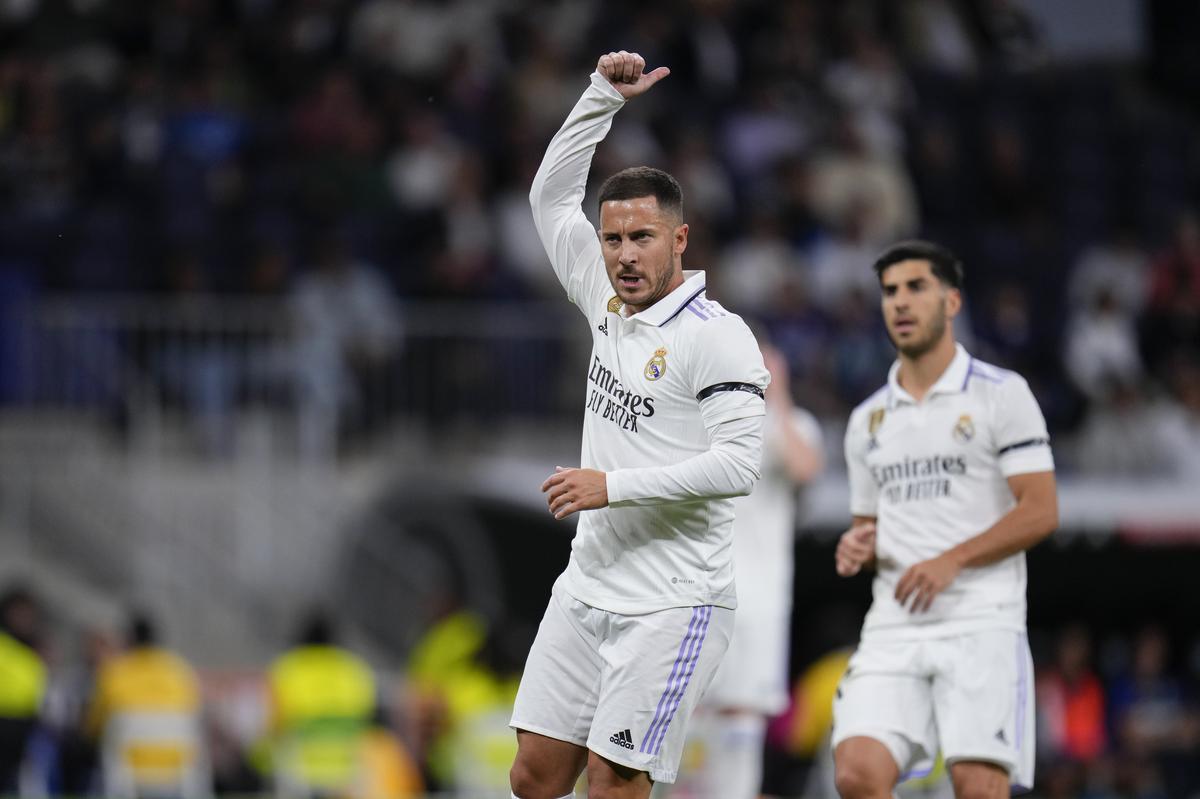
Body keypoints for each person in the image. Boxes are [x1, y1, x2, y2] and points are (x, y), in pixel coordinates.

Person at [509, 50, 770, 799]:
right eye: (613, 239)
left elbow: (739, 466)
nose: (624, 256)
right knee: (534, 777)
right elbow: (550, 198)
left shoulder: (718, 337)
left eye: (642, 238)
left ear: (679, 241)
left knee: (614, 784)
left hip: (673, 601)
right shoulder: (603, 296)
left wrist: (611, 486)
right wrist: (600, 97)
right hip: (589, 584)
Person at [832, 240, 1059, 799]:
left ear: (952, 301)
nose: (900, 302)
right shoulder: (866, 420)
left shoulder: (1002, 395)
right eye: (890, 291)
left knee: (978, 787)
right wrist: (858, 547)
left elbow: (1041, 510)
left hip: (982, 620)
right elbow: (868, 529)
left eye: (916, 287)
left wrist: (951, 561)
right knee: (856, 773)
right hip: (895, 623)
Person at [672, 341, 825, 799]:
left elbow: (806, 467)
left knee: (744, 709)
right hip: (696, 587)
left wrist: (777, 398)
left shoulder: (792, 424)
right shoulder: (700, 420)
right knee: (685, 706)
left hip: (760, 598)